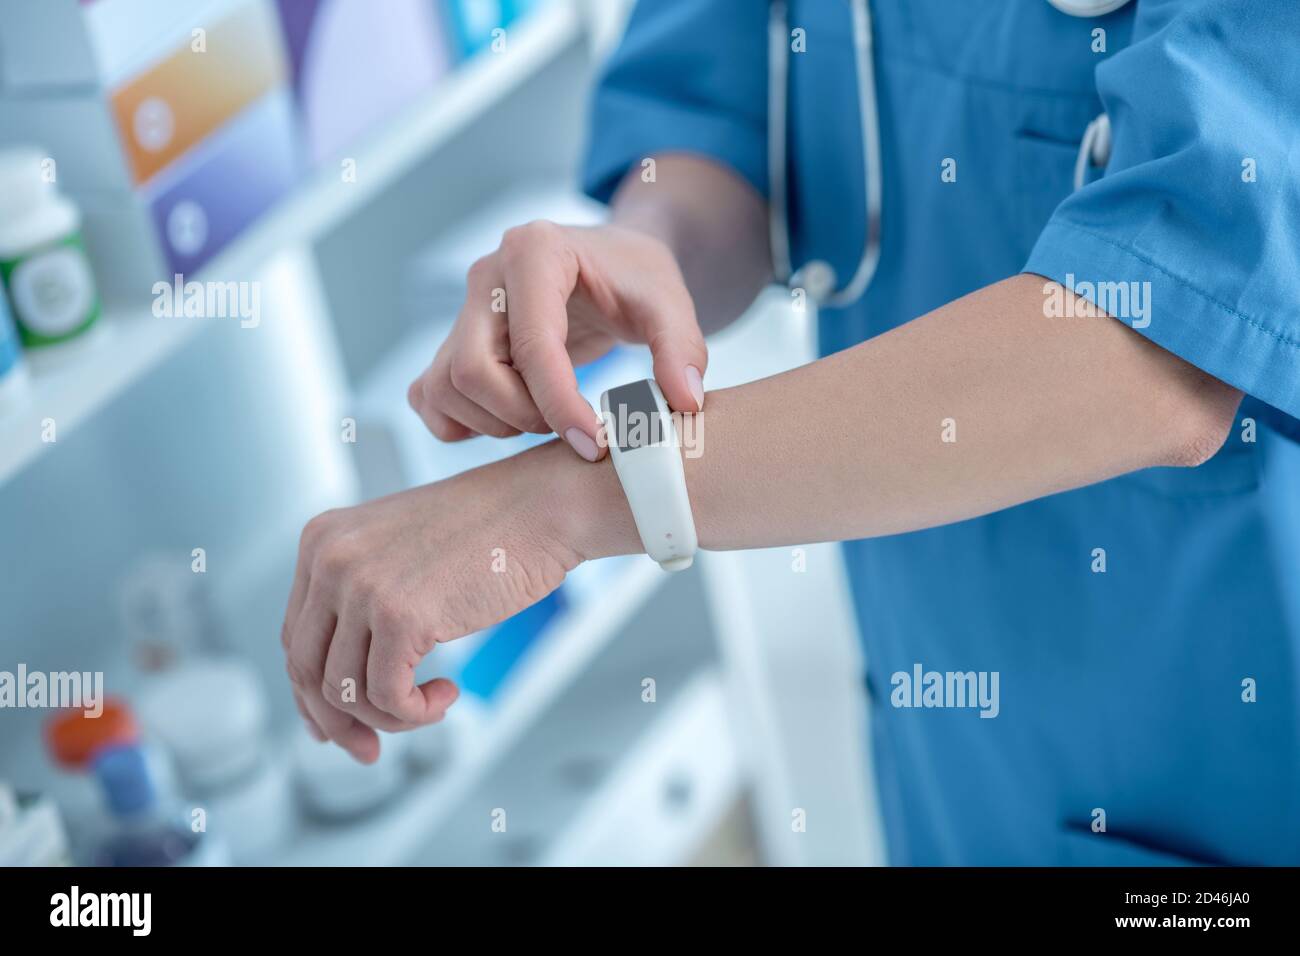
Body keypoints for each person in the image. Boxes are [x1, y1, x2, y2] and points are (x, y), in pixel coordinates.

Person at [278, 0, 1299, 865]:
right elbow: (723, 97)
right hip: (952, 704)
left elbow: (1163, 343)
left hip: (1215, 716)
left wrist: (568, 500)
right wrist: (644, 251)